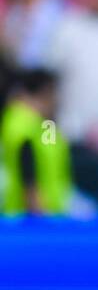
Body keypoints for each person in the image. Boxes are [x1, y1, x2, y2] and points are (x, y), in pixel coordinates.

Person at [1, 68, 72, 216]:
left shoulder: (44, 123)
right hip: (29, 217)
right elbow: (27, 167)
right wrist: (36, 206)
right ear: (45, 93)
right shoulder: (20, 123)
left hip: (52, 213)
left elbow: (52, 150)